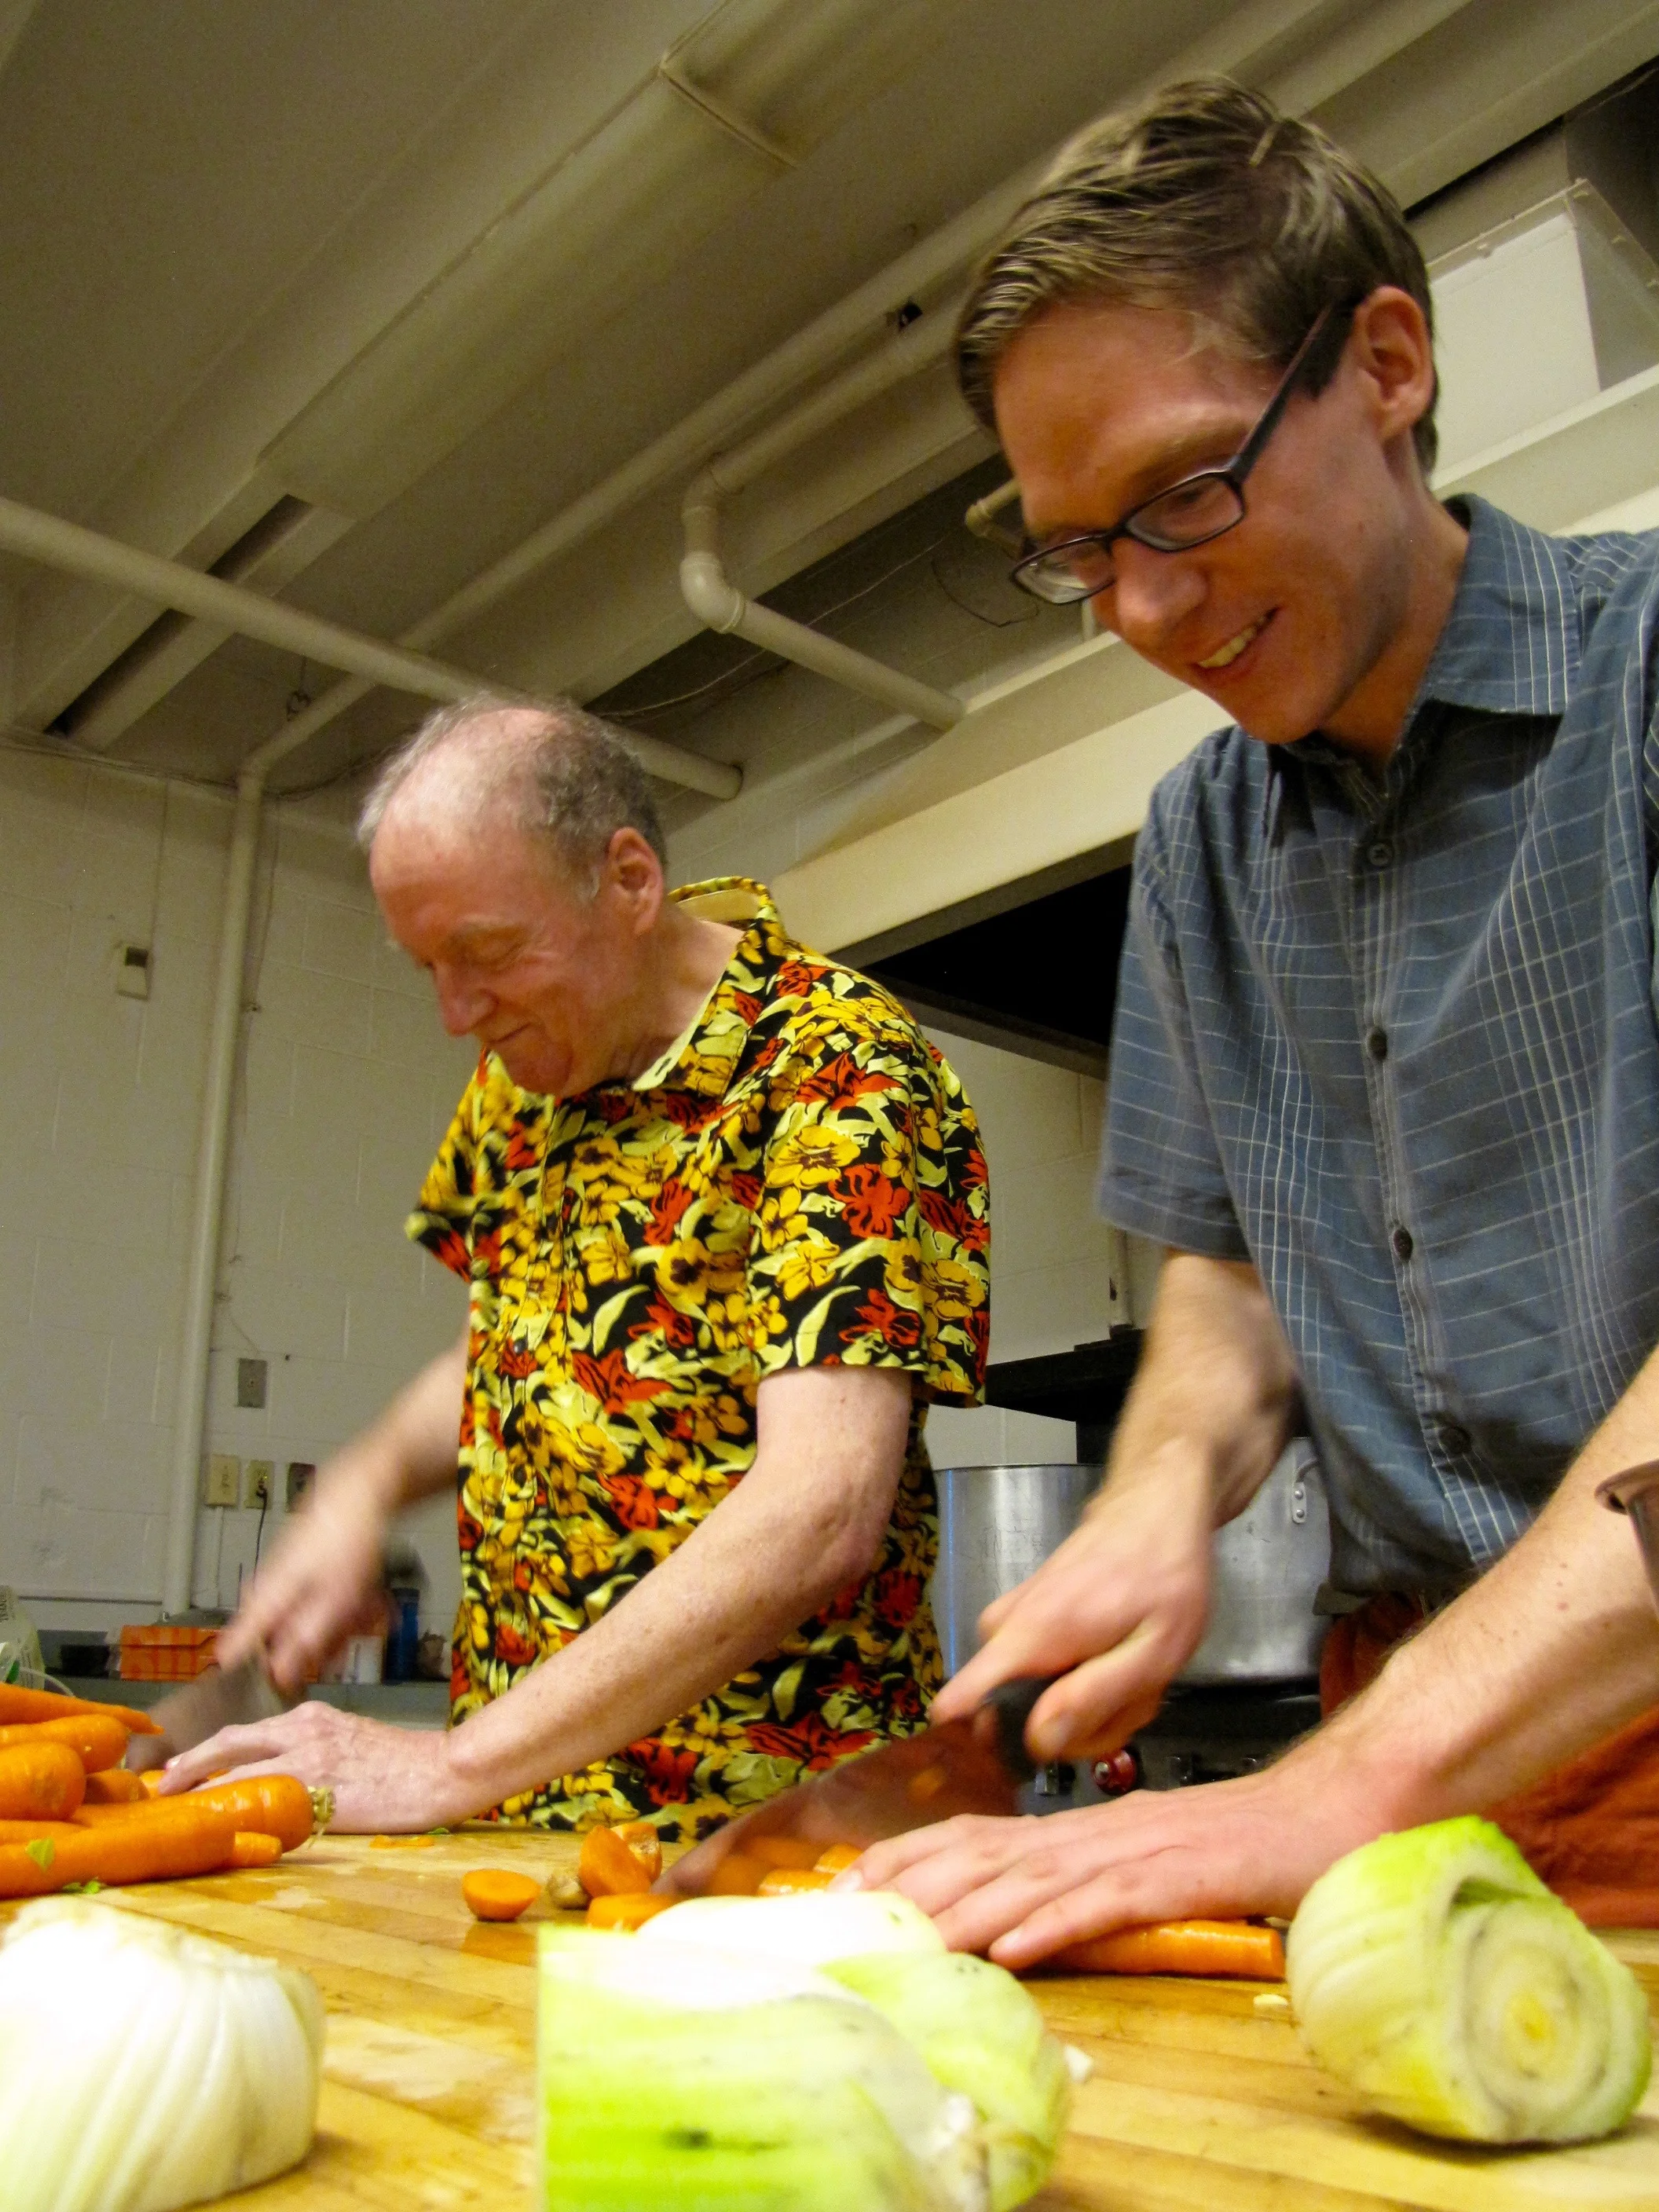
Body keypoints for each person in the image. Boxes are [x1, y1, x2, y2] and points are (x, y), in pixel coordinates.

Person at [850, 78, 1659, 1964]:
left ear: (1385, 363)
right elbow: (1222, 1274)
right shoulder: (1201, 841)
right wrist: (1155, 1499)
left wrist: (1335, 1788)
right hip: (1414, 1726)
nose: (1144, 602)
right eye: (1078, 549)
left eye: (1186, 492)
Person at [166, 697, 989, 1833]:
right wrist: (359, 1488)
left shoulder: (839, 1073)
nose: (457, 1015)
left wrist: (446, 1767)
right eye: (426, 969)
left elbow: (824, 1505)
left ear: (631, 883)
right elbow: (512, 1350)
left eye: (486, 955)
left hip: (770, 1851)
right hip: (518, 1825)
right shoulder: (521, 1084)